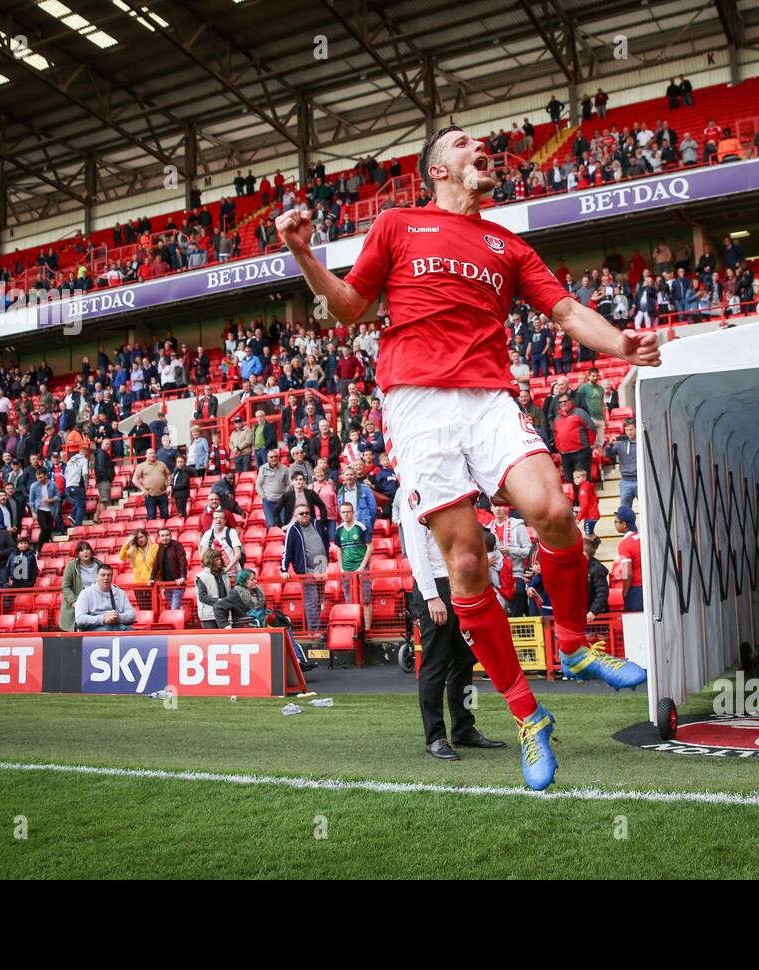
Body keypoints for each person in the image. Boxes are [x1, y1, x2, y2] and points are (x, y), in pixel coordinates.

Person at [276, 123, 654, 790]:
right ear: (437, 171)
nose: (479, 146)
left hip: (487, 399)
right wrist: (305, 256)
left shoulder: (507, 245)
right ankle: (527, 716)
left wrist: (620, 346)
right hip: (418, 407)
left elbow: (566, 311)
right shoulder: (397, 224)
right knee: (468, 561)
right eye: (460, 142)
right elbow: (349, 307)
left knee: (556, 510)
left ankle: (571, 642)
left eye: (481, 142)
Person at [399, 491, 504, 760]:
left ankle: (464, 728)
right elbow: (416, 549)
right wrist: (431, 595)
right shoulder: (415, 496)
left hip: (463, 583)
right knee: (435, 662)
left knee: (465, 661)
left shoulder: (454, 492)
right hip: (436, 586)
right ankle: (435, 736)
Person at [282, 504, 329, 633]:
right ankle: (313, 632)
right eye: (301, 514)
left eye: (307, 513)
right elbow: (287, 551)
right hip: (306, 571)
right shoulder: (293, 529)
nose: (305, 516)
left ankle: (316, 629)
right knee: (311, 601)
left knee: (319, 601)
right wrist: (284, 569)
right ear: (295, 516)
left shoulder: (317, 524)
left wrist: (327, 559)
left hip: (321, 567)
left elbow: (326, 541)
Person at [335, 501, 372, 630]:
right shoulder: (339, 530)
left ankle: (367, 629)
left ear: (353, 512)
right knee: (349, 600)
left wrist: (362, 567)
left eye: (348, 511)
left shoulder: (361, 527)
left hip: (362, 568)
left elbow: (370, 547)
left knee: (366, 599)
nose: (346, 514)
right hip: (346, 569)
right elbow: (339, 549)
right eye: (343, 512)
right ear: (340, 514)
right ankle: (353, 627)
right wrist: (341, 567)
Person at [75, 564, 137, 632]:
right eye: (103, 575)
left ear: (112, 577)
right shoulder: (85, 593)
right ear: (97, 577)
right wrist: (103, 618)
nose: (106, 577)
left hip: (117, 625)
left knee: (135, 635)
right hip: (95, 629)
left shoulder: (121, 593)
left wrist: (118, 617)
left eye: (109, 575)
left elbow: (132, 614)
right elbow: (80, 618)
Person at [59, 541, 102, 633]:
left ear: (91, 551)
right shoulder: (71, 566)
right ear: (77, 554)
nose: (85, 552)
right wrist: (73, 602)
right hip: (78, 602)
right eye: (81, 550)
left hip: (96, 601)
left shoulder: (99, 564)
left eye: (87, 549)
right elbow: (65, 587)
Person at [151, 525, 189, 610]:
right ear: (159, 537)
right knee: (173, 607)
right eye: (162, 536)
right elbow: (156, 564)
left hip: (177, 583)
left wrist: (182, 577)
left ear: (171, 536)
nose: (165, 538)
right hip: (166, 584)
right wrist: (152, 578)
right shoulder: (160, 547)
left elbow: (183, 561)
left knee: (174, 609)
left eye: (167, 535)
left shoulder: (177, 545)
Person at [613, 506, 643, 611]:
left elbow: (627, 574)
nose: (614, 524)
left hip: (635, 590)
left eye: (616, 521)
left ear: (624, 524)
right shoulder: (642, 537)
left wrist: (624, 592)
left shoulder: (625, 544)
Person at [199, 508, 244, 577]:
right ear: (213, 520)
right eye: (216, 518)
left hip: (233, 573)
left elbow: (238, 554)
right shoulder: (207, 534)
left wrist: (226, 569)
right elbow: (203, 555)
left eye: (221, 518)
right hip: (215, 573)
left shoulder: (231, 532)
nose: (218, 520)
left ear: (225, 520)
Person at [194, 548, 230, 629]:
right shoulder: (202, 577)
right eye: (216, 560)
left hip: (224, 612)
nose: (220, 561)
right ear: (210, 561)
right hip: (209, 615)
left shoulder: (224, 575)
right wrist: (218, 601)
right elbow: (202, 597)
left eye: (220, 559)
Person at [132, 448, 171, 521]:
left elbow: (168, 475)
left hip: (163, 494)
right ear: (146, 455)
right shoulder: (141, 466)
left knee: (165, 516)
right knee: (151, 517)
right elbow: (134, 480)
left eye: (154, 453)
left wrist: (169, 486)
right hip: (149, 495)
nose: (152, 455)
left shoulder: (162, 464)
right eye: (150, 453)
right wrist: (143, 489)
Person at [28, 468, 61, 548]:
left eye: (41, 477)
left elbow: (58, 497)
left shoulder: (53, 484)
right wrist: (33, 513)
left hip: (50, 509)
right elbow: (31, 501)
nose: (39, 480)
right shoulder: (34, 485)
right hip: (39, 509)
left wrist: (51, 500)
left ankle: (45, 547)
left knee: (49, 530)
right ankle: (39, 547)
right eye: (38, 478)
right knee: (44, 528)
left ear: (45, 476)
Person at [256, 450, 291, 527]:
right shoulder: (263, 468)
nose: (274, 458)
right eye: (271, 457)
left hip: (281, 501)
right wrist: (263, 496)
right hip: (268, 501)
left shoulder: (284, 468)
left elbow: (289, 484)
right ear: (267, 458)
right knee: (271, 523)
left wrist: (285, 495)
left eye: (275, 456)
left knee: (283, 523)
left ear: (279, 457)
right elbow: (258, 484)